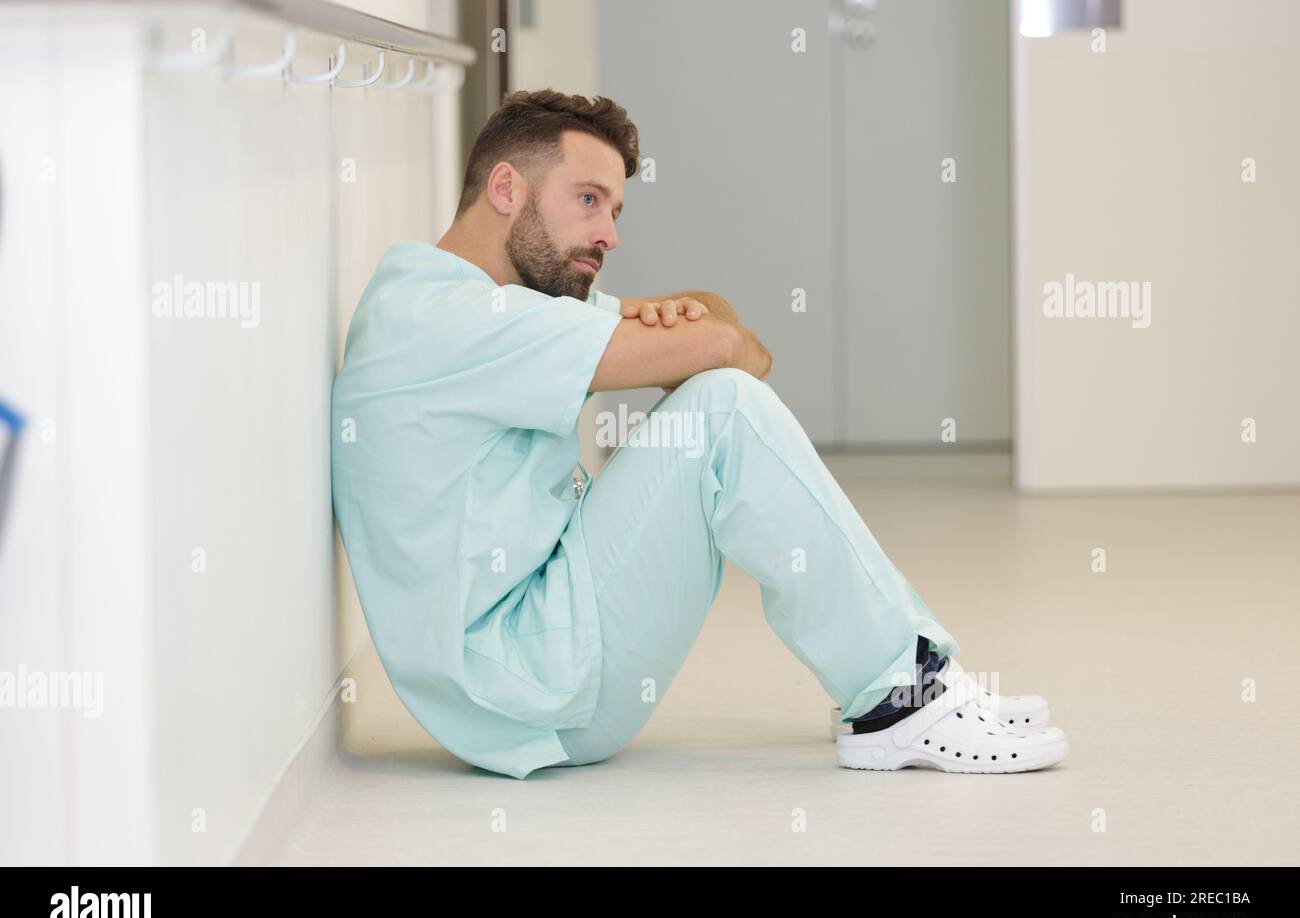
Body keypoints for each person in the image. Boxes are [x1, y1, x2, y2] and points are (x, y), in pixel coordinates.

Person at [330, 89, 1069, 780]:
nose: (609, 234)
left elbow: (717, 322)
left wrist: (692, 329)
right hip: (527, 682)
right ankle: (898, 698)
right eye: (588, 201)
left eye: (615, 209)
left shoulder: (487, 301)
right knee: (721, 412)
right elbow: (724, 351)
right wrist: (702, 339)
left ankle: (904, 679)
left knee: (720, 400)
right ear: (506, 190)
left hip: (524, 662)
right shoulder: (456, 321)